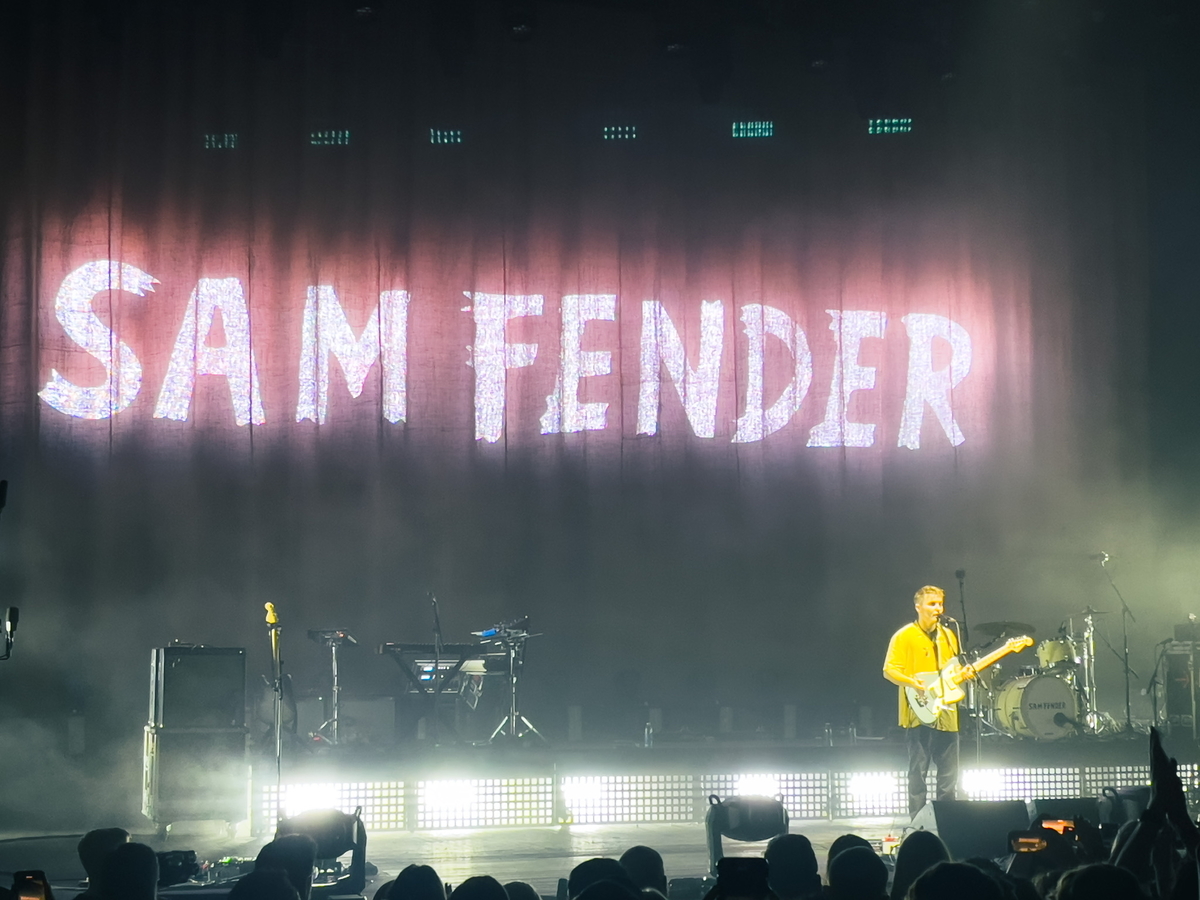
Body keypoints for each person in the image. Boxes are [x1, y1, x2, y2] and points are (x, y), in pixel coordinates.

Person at [882, 585, 969, 816]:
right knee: (918, 774)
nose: (938, 608)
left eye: (940, 603)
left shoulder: (949, 636)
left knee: (949, 777)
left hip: (948, 714)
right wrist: (913, 683)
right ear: (918, 607)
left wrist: (964, 674)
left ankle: (948, 821)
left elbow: (953, 670)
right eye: (932, 604)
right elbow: (889, 670)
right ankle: (917, 826)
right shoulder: (904, 636)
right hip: (918, 714)